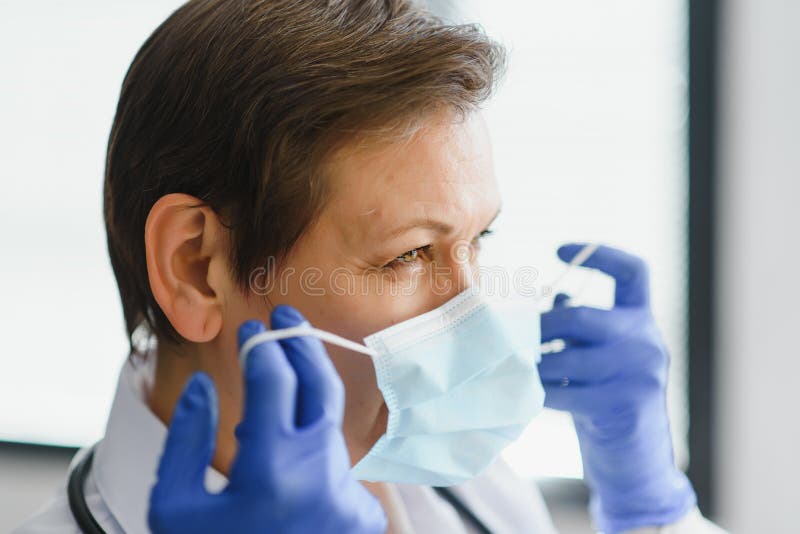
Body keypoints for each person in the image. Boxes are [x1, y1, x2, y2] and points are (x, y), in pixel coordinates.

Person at [16, 1, 727, 532]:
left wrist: (651, 511)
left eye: (479, 238)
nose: (473, 316)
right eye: (409, 254)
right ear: (197, 267)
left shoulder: (464, 489)